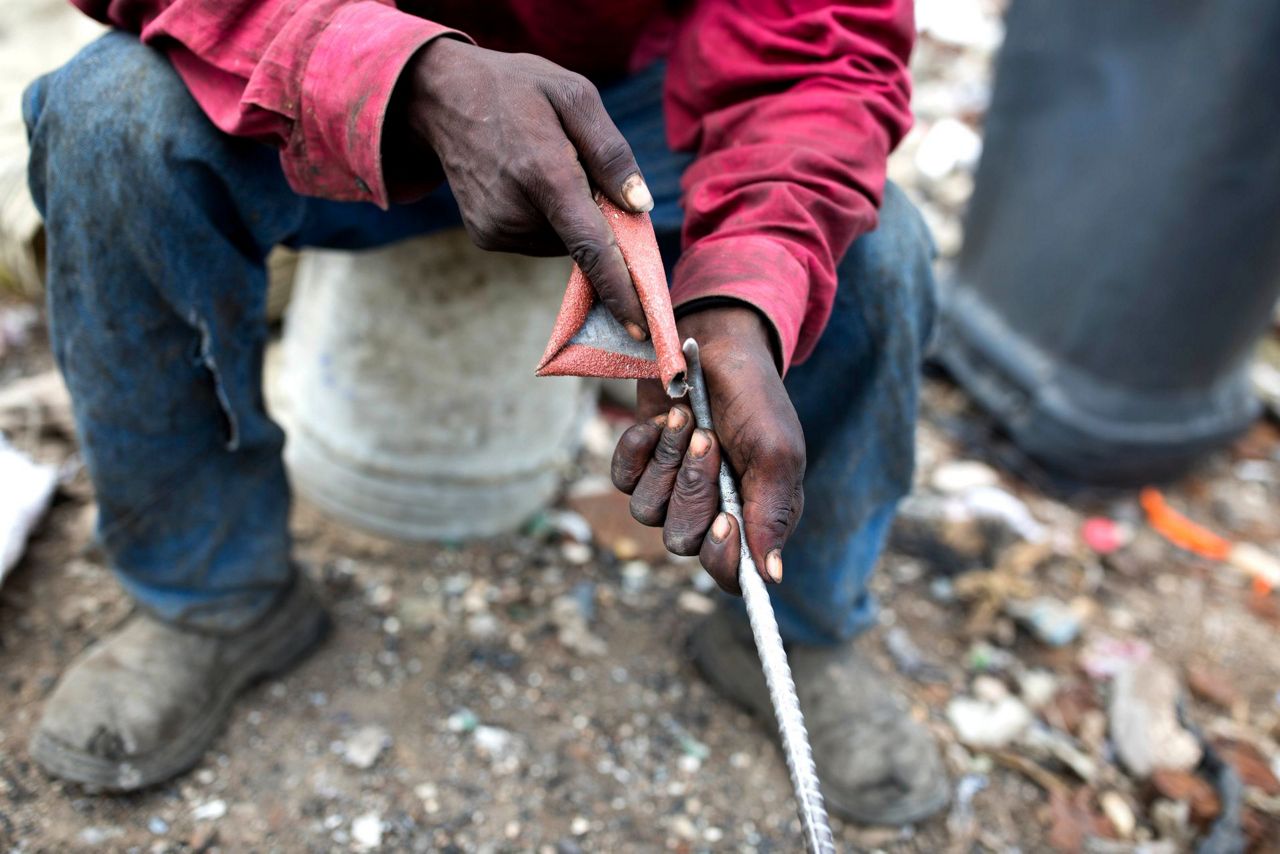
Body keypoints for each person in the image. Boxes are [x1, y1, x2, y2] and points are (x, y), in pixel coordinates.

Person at [24, 0, 947, 824]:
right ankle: (210, 596)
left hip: (632, 113)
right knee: (109, 120)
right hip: (334, 59)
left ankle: (798, 628)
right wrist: (406, 74)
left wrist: (745, 296)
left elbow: (819, 49)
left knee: (877, 250)